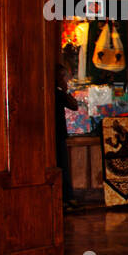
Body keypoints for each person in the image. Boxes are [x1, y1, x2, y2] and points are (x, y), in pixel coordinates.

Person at [54, 64, 81, 207]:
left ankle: (66, 197)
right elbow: (74, 105)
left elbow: (74, 105)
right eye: (64, 77)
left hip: (58, 133)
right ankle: (66, 197)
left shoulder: (58, 92)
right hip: (56, 135)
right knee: (62, 166)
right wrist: (64, 90)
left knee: (62, 166)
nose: (66, 81)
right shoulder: (57, 92)